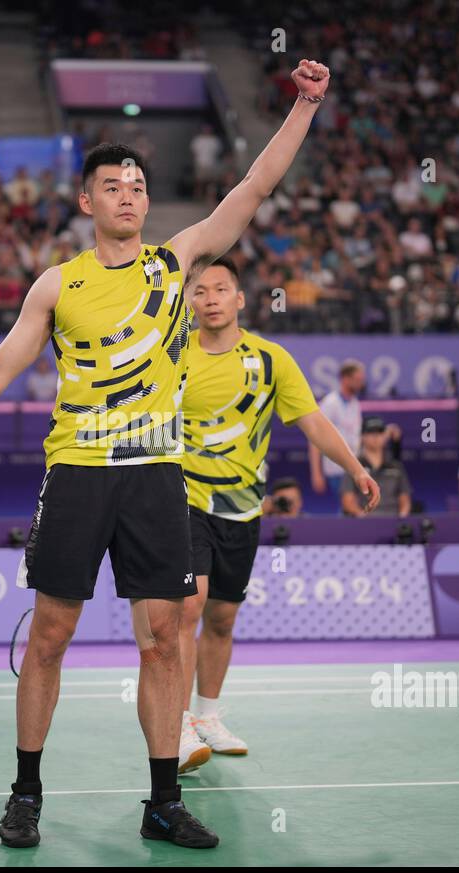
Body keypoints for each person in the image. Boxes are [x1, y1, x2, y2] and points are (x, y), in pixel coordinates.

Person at [0, 59, 337, 852]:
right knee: (50, 635)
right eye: (113, 186)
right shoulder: (58, 284)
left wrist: (303, 106)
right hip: (78, 474)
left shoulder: (177, 265)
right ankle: (26, 791)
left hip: (158, 476)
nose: (129, 195)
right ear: (87, 201)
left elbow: (255, 187)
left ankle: (162, 801)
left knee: (164, 637)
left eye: (138, 185)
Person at [176, 257, 378, 772]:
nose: (212, 298)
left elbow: (312, 421)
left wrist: (355, 469)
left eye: (222, 289)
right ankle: (175, 724)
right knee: (189, 607)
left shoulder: (271, 359)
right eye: (200, 292)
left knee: (222, 617)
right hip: (184, 498)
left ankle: (208, 717)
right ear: (190, 303)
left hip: (243, 506)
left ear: (240, 299)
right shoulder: (171, 357)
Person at [309, 359, 365, 500]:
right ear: (345, 379)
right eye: (357, 380)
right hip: (336, 468)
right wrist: (316, 473)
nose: (361, 384)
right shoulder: (330, 403)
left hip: (354, 467)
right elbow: (315, 438)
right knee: (347, 506)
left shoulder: (355, 403)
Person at [342, 417, 411, 516]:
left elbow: (405, 499)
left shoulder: (396, 466)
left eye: (379, 432)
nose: (375, 436)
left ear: (384, 436)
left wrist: (401, 518)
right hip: (364, 524)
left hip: (393, 522)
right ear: (362, 436)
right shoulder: (353, 466)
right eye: (370, 432)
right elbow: (347, 502)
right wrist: (364, 519)